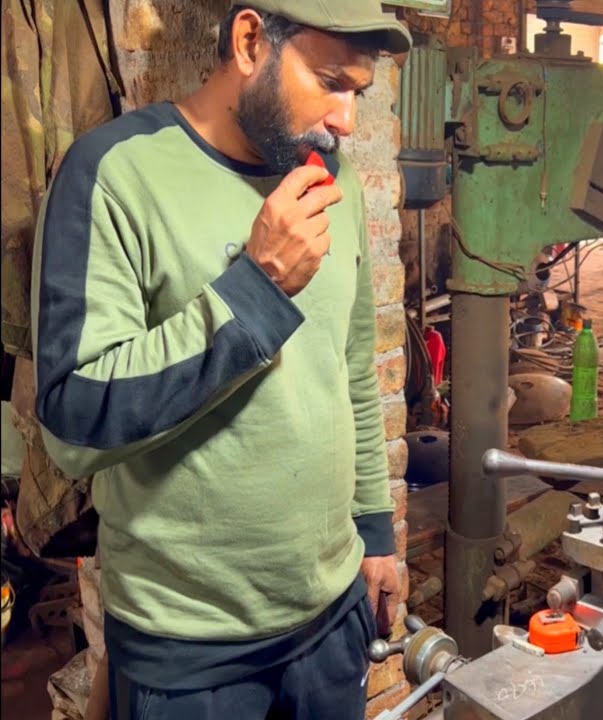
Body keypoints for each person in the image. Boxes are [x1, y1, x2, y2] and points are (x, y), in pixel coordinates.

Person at [29, 2, 411, 717]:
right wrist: (256, 290)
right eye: (330, 81)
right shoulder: (114, 174)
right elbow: (74, 422)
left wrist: (374, 534)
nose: (346, 121)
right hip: (188, 651)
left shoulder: (338, 180)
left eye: (357, 91)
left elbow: (352, 370)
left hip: (332, 622)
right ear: (248, 42)